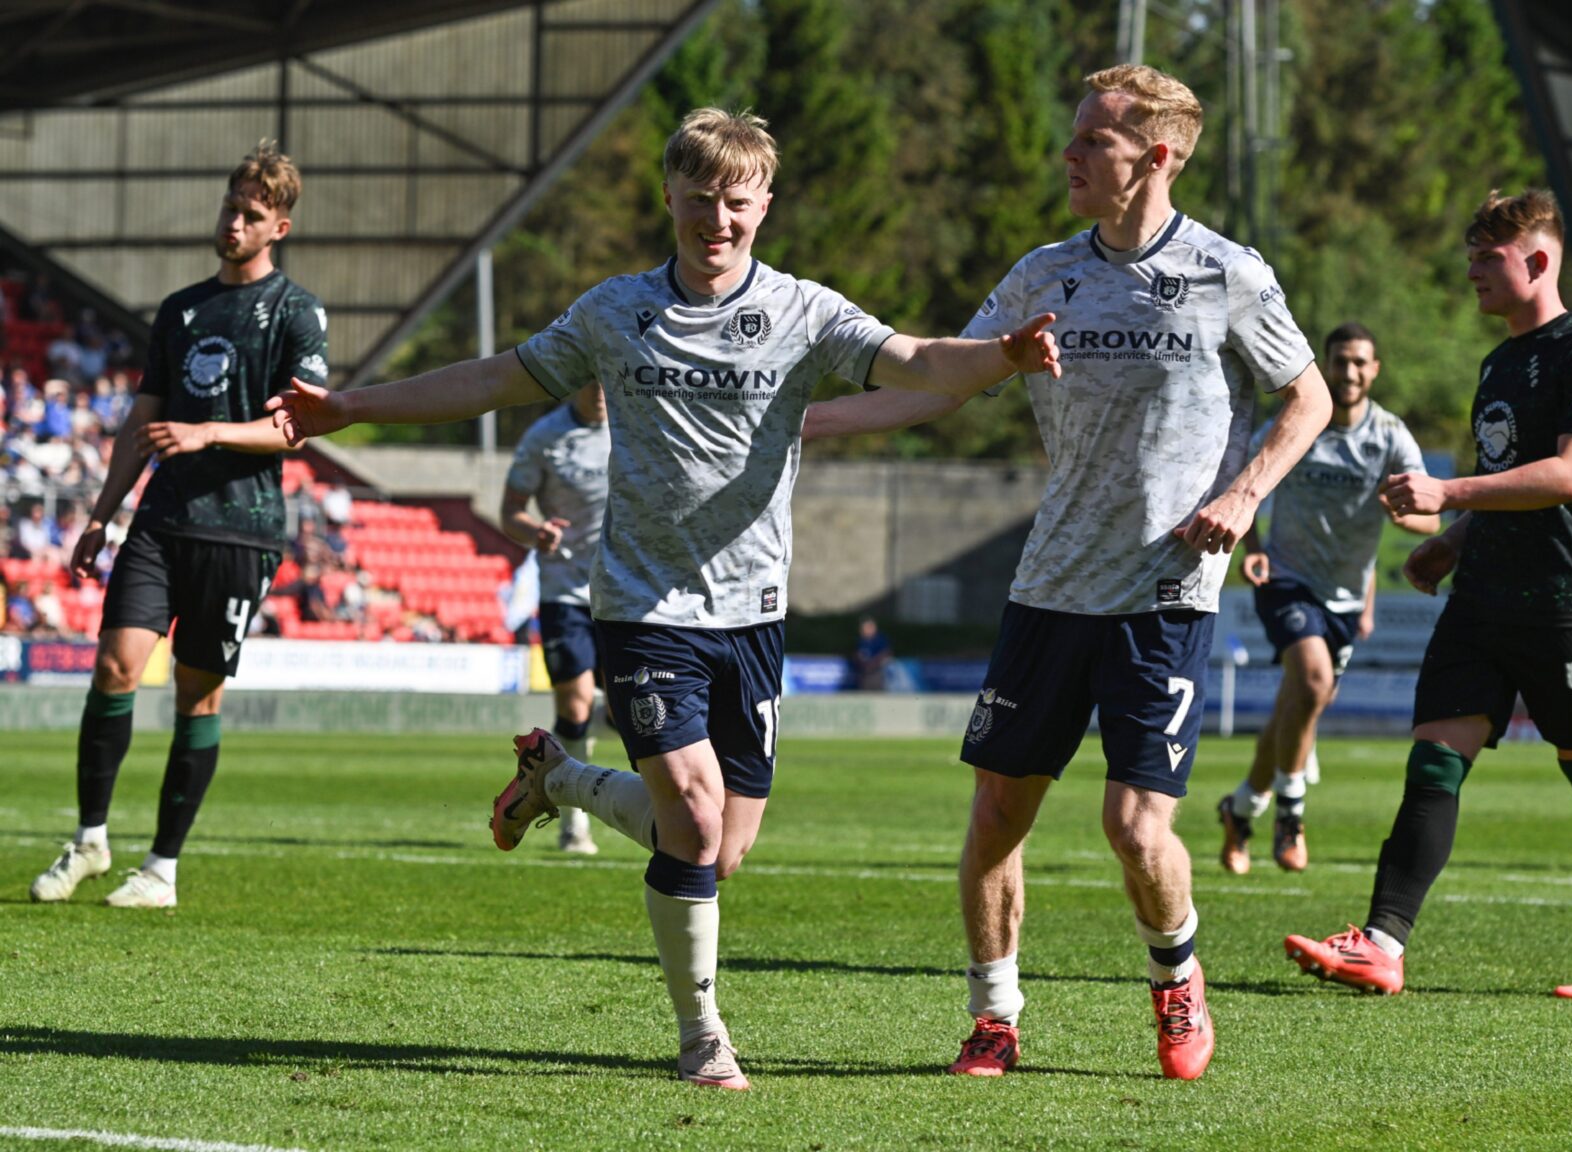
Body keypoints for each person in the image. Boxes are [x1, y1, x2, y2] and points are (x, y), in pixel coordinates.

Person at [265, 107, 1059, 1090]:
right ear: (670, 199)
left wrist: (1003, 358)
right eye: (699, 201)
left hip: (755, 616)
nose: (716, 221)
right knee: (689, 811)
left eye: (736, 202)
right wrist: (351, 405)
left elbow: (923, 362)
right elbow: (493, 379)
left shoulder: (806, 310)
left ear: (764, 205)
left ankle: (557, 779)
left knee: (721, 851)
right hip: (643, 606)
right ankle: (702, 1034)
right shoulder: (613, 312)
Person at [924, 65, 1331, 1082]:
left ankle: (1177, 976)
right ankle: (994, 1018)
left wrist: (1243, 496)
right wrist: (804, 409)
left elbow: (1308, 399)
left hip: (1164, 592)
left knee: (1135, 828)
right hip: (1047, 587)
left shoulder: (1227, 272)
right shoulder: (1043, 272)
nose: (1068, 156)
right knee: (996, 819)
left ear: (1156, 156)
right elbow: (946, 372)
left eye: (1091, 142)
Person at [1284, 188, 1572, 1003]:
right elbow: (1502, 482)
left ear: (1538, 260)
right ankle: (1382, 943)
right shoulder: (1498, 362)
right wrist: (1453, 546)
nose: (1471, 272)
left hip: (1565, 601)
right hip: (1482, 602)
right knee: (1434, 761)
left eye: (1487, 258)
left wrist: (1449, 498)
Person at [29, 140, 327, 911]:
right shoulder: (181, 309)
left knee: (196, 696)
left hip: (243, 529)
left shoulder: (296, 313)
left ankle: (161, 867)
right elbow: (142, 422)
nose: (233, 222)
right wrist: (100, 518)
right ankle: (91, 838)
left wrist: (210, 433)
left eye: (251, 214)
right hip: (160, 521)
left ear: (279, 229)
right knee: (115, 667)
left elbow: (299, 428)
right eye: (230, 206)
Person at [1218, 323, 1439, 874]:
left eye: (1360, 363)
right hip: (1287, 580)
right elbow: (1244, 479)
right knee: (1312, 681)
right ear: (1327, 363)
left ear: (1375, 369)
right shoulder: (1299, 422)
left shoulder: (1390, 436)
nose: (1350, 373)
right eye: (1340, 361)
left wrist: (1405, 514)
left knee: (1300, 702)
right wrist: (1252, 546)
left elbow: (1433, 514)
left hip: (1343, 599)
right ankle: (1290, 816)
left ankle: (1241, 808)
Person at [500, 379, 610, 855]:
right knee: (576, 703)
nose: (604, 388)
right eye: (593, 378)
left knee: (638, 712)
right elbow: (510, 513)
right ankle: (574, 823)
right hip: (566, 590)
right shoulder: (545, 436)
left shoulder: (642, 423)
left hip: (630, 591)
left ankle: (555, 764)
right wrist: (536, 532)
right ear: (574, 382)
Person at [849, 615, 892, 690]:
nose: (862, 630)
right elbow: (857, 655)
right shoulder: (861, 641)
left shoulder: (880, 639)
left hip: (876, 673)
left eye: (865, 628)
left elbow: (885, 654)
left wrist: (872, 664)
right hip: (864, 674)